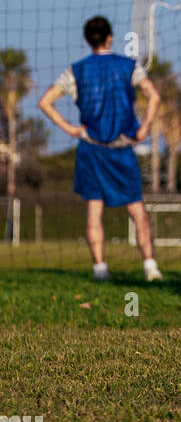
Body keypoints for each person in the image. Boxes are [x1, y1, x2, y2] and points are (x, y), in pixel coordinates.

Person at [38, 15, 162, 281]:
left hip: (91, 148)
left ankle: (100, 270)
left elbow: (45, 101)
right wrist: (143, 129)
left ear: (87, 40)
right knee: (137, 209)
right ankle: (151, 267)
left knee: (95, 209)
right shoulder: (128, 66)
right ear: (110, 37)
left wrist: (70, 129)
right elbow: (154, 96)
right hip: (121, 147)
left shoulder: (77, 70)